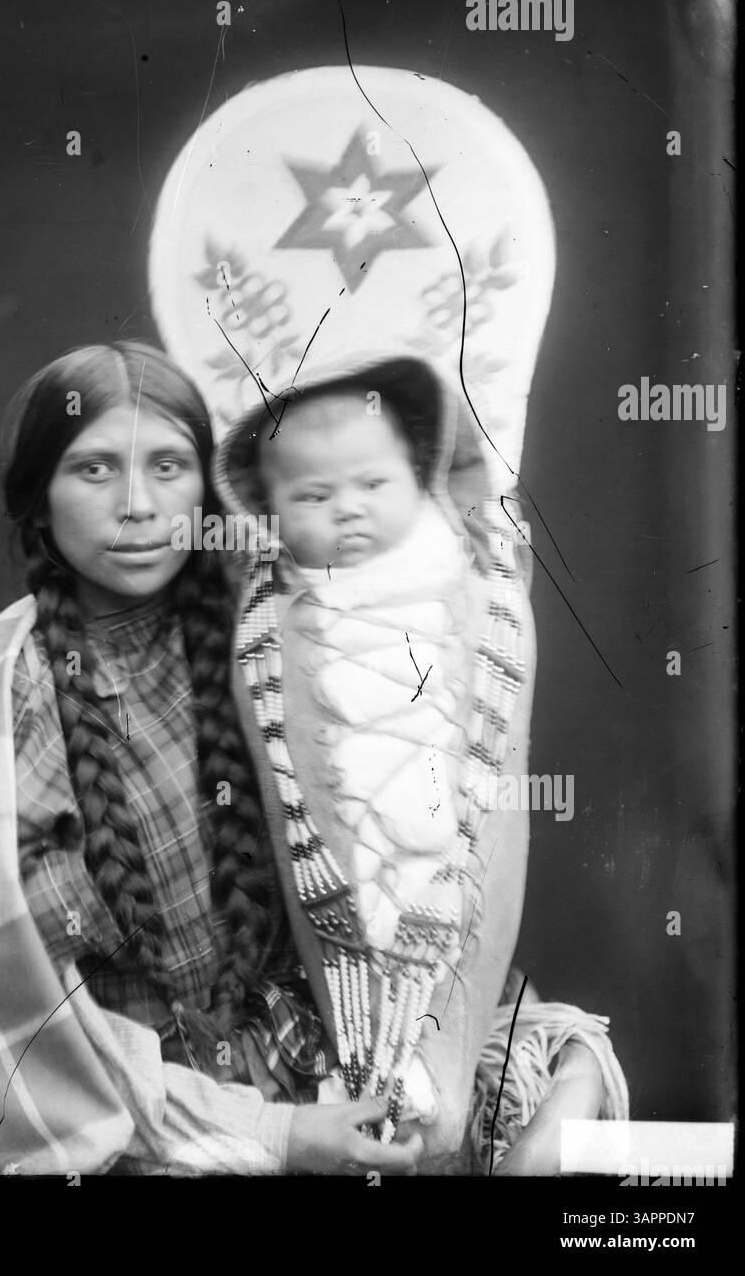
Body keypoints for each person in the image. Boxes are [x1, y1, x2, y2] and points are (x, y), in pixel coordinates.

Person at [0, 340, 424, 1177]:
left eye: (170, 465)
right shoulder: (8, 700)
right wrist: (273, 1135)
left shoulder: (273, 626)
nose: (138, 505)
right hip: (152, 1118)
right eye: (96, 470)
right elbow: (20, 1027)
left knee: (541, 1074)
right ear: (38, 501)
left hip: (330, 1058)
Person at [216, 352, 628, 1174]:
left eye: (373, 483)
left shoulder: (481, 587)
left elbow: (495, 796)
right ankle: (389, 1083)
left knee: (503, 1097)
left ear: (422, 468)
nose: (349, 511)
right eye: (312, 496)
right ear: (265, 508)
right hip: (335, 952)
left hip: (452, 912)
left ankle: (444, 1086)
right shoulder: (269, 628)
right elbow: (291, 801)